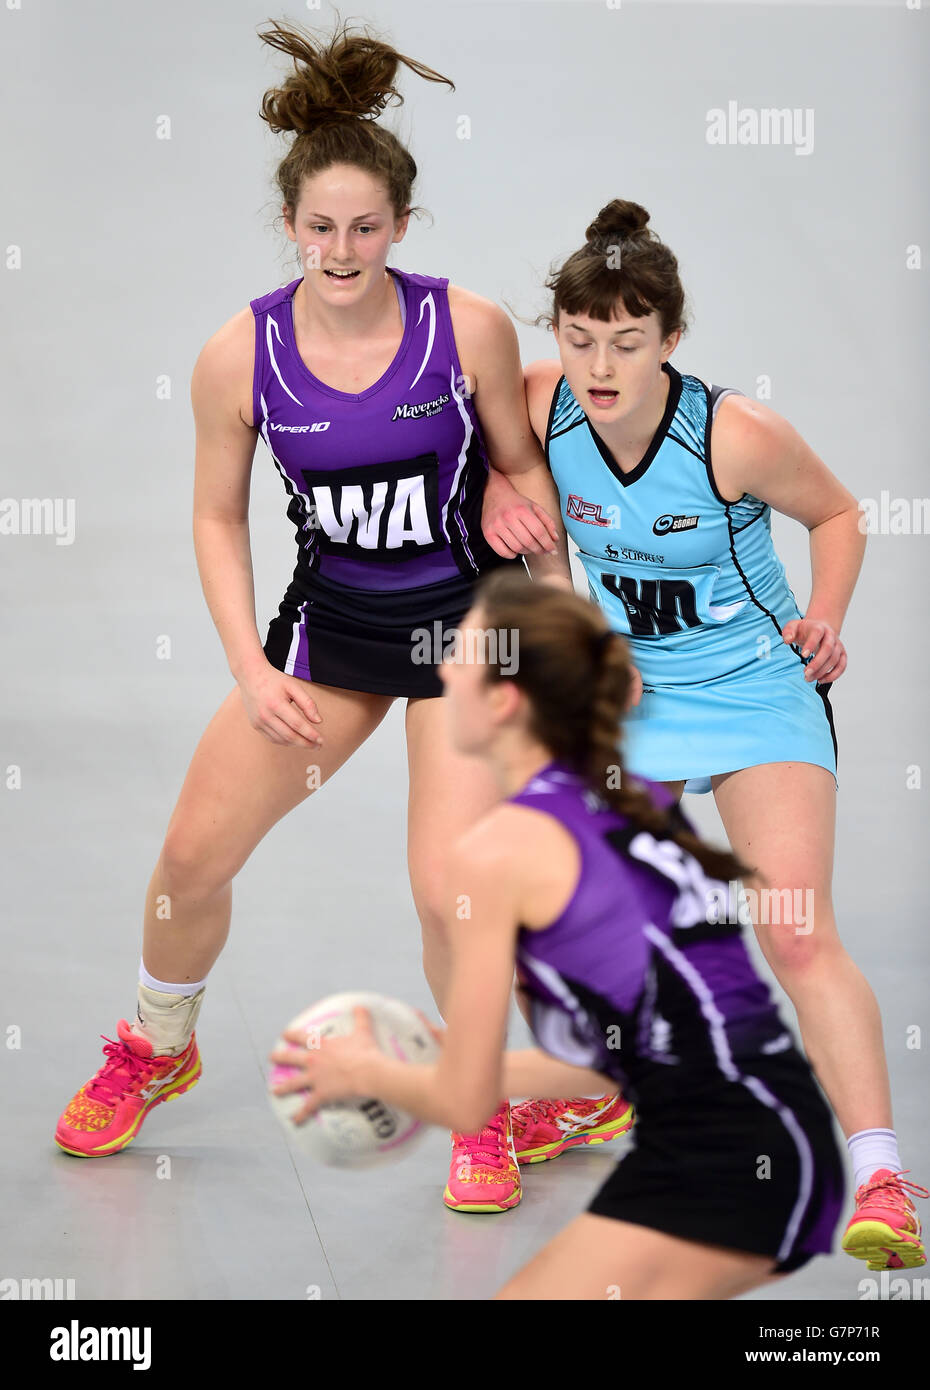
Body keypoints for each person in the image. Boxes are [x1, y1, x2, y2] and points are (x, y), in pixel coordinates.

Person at [54, 20, 625, 1209]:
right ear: (289, 225)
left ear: (402, 227)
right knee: (191, 858)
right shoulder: (240, 354)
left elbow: (523, 465)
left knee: (446, 888)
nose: (343, 247)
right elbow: (218, 518)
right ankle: (160, 1043)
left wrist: (532, 534)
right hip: (336, 632)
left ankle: (486, 1102)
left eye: (367, 225)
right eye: (321, 225)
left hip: (469, 629)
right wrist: (246, 665)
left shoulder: (463, 325)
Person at [482, 198, 927, 1269]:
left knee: (794, 929)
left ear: (670, 340)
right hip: (632, 699)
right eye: (579, 338)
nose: (600, 364)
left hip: (756, 691)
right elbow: (478, 450)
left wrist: (826, 617)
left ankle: (878, 1176)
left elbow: (840, 512)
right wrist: (503, 484)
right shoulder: (544, 409)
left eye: (627, 342)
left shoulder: (732, 433)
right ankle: (599, 1098)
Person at [270, 572, 859, 1299]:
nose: (442, 666)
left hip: (727, 1160)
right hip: (770, 1142)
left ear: (506, 701)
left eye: (463, 657)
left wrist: (369, 1075)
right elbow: (609, 1067)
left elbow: (463, 1103)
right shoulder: (626, 804)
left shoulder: (501, 853)